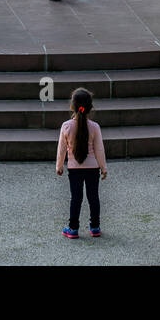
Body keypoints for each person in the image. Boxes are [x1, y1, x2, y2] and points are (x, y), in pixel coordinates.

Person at [55, 86, 107, 238]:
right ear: (90, 107)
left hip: (74, 169)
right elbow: (99, 150)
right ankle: (95, 227)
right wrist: (103, 168)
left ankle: (73, 228)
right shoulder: (95, 127)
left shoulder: (66, 126)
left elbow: (61, 149)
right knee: (93, 197)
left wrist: (59, 166)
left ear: (72, 106)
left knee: (76, 198)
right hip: (93, 168)